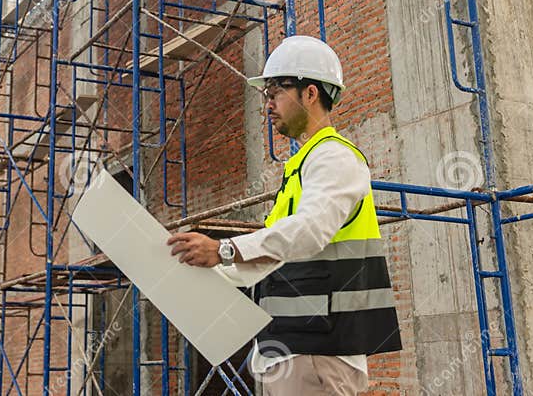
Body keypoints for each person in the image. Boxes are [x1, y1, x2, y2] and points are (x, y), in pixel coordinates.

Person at [167, 35, 401, 395]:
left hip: (319, 350)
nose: (268, 104)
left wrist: (224, 249)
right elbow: (272, 261)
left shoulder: (334, 157)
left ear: (310, 93)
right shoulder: (301, 166)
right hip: (291, 348)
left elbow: (309, 231)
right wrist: (190, 271)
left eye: (276, 92)